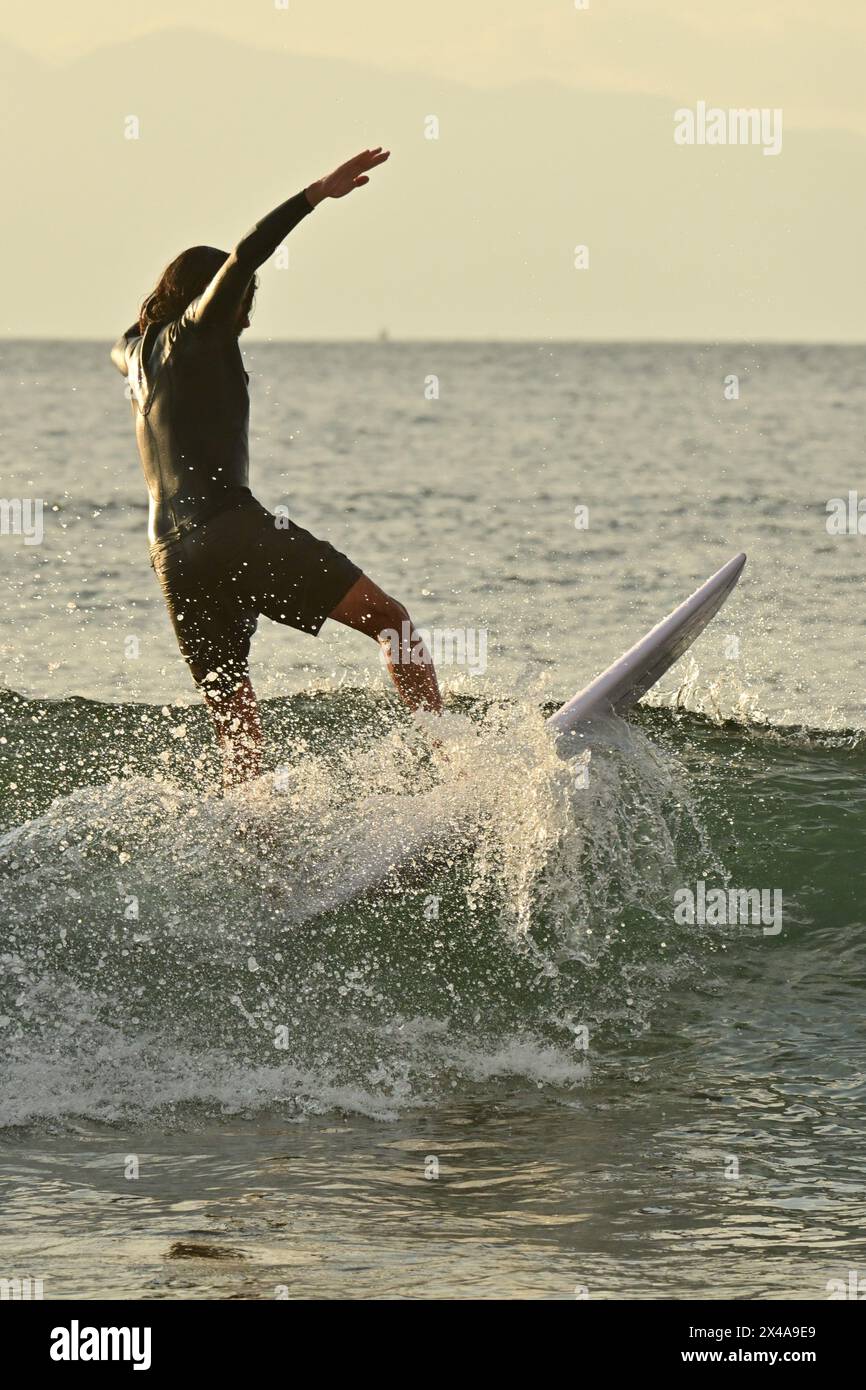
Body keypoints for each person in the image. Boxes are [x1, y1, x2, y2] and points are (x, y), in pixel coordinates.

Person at [111, 148, 442, 785]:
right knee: (391, 621)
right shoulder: (199, 332)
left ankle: (258, 843)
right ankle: (453, 765)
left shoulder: (133, 354)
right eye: (244, 302)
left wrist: (163, 299)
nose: (247, 314)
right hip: (228, 526)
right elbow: (245, 255)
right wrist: (315, 194)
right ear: (213, 297)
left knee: (234, 718)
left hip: (170, 557)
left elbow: (130, 334)